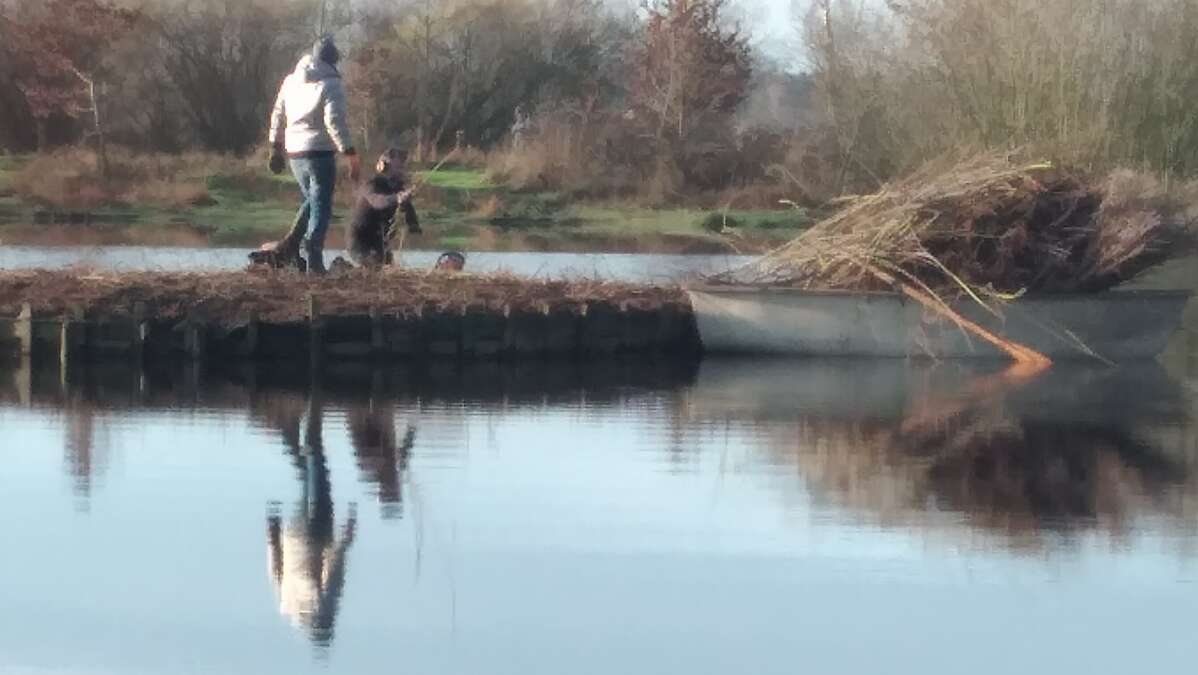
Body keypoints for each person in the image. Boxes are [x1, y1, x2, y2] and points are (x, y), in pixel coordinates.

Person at [267, 34, 361, 275]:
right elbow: (334, 122)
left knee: (311, 200)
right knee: (320, 206)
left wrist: (274, 147)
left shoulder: (290, 81)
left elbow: (278, 113)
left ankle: (289, 246)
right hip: (319, 152)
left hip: (294, 151)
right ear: (333, 61)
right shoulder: (331, 84)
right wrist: (350, 152)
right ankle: (314, 259)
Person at [347, 147, 421, 267]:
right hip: (361, 241)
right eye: (398, 167)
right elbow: (378, 202)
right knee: (373, 268)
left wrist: (414, 225)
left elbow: (407, 207)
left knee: (388, 270)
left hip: (380, 241)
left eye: (402, 167)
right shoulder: (371, 184)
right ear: (383, 166)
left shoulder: (397, 187)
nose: (402, 170)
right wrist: (397, 198)